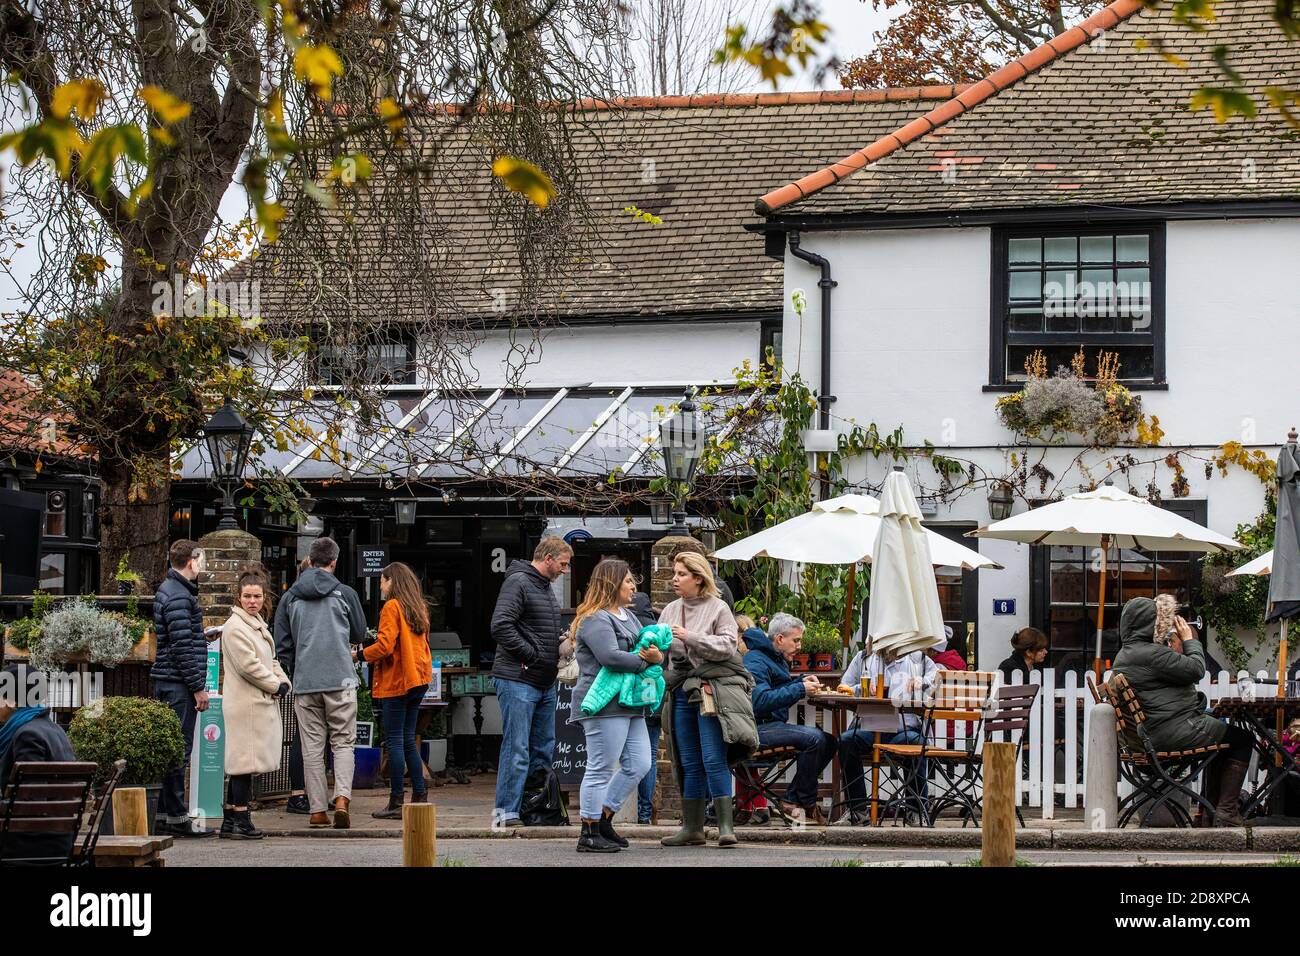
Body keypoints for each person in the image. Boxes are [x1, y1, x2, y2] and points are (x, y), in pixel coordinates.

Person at [1111, 597, 1254, 827]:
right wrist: (1189, 640)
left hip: (1151, 735)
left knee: (1222, 741)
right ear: (1149, 623)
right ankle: (1226, 811)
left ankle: (1209, 814)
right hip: (1167, 735)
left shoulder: (1127, 654)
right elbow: (1197, 669)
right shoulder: (1151, 654)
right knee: (1243, 739)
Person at [659, 551, 757, 848]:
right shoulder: (670, 610)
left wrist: (690, 637)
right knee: (687, 760)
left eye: (681, 574)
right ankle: (693, 828)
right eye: (674, 573)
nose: (674, 579)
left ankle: (726, 827)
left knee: (713, 757)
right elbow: (662, 649)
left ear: (698, 578)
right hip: (679, 689)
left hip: (710, 688)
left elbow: (728, 647)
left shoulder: (719, 609)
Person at [274, 536, 367, 829]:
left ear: (310, 561)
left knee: (312, 747)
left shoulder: (290, 597)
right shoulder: (344, 593)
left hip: (305, 682)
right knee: (343, 743)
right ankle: (341, 799)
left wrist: (294, 668)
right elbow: (360, 633)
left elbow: (282, 643)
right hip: (340, 679)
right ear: (334, 561)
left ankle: (316, 810)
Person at [570, 559, 661, 852]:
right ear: (612, 583)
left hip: (631, 701)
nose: (634, 587)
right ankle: (588, 831)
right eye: (628, 582)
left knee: (640, 764)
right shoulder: (596, 619)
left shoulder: (628, 616)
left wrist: (653, 655)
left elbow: (642, 647)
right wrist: (647, 660)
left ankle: (605, 818)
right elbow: (610, 657)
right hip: (604, 704)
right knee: (600, 767)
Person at [490, 536, 572, 827]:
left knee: (542, 748)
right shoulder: (519, 582)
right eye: (563, 563)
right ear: (548, 558)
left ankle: (533, 809)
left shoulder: (543, 588)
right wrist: (533, 654)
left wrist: (558, 643)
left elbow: (533, 629)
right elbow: (500, 625)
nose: (565, 570)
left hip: (542, 681)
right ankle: (505, 812)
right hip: (518, 678)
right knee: (518, 747)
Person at [358, 562, 433, 820]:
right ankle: (420, 796)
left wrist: (359, 655)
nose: (380, 585)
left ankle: (396, 801)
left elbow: (385, 646)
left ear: (392, 581)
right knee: (408, 738)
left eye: (382, 580)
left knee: (394, 741)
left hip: (397, 681)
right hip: (418, 679)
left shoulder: (391, 607)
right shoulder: (418, 607)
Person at [743, 612, 835, 825]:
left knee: (830, 742)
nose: (800, 645)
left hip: (771, 725)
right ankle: (799, 803)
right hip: (757, 727)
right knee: (815, 739)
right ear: (779, 639)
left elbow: (777, 687)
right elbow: (760, 701)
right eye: (796, 640)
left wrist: (800, 682)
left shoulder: (774, 658)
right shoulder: (755, 660)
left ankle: (794, 799)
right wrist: (800, 689)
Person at [219, 571, 291, 840]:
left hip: (254, 702)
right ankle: (242, 821)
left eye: (257, 596)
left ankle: (229, 822)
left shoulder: (255, 623)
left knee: (243, 764)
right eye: (247, 596)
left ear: (264, 598)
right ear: (239, 597)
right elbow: (249, 667)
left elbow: (271, 660)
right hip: (244, 705)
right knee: (243, 765)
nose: (252, 601)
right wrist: (275, 685)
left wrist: (283, 681)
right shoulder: (235, 627)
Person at [150, 538, 214, 837]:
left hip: (171, 679)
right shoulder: (179, 595)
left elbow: (181, 638)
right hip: (178, 684)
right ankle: (175, 817)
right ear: (192, 561)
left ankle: (165, 815)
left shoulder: (172, 590)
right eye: (201, 561)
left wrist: (200, 636)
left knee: (172, 750)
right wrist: (198, 687)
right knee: (178, 751)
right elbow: (181, 647)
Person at [835, 644, 937, 823]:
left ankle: (916, 808)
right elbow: (844, 686)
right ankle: (857, 810)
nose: (889, 651)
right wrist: (862, 687)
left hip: (904, 728)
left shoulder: (917, 658)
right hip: (869, 726)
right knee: (846, 741)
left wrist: (922, 682)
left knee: (916, 743)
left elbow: (938, 677)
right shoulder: (864, 658)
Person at [0, 664, 77, 863]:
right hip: (57, 841)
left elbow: (30, 805)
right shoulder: (54, 729)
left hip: (30, 845)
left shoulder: (27, 735)